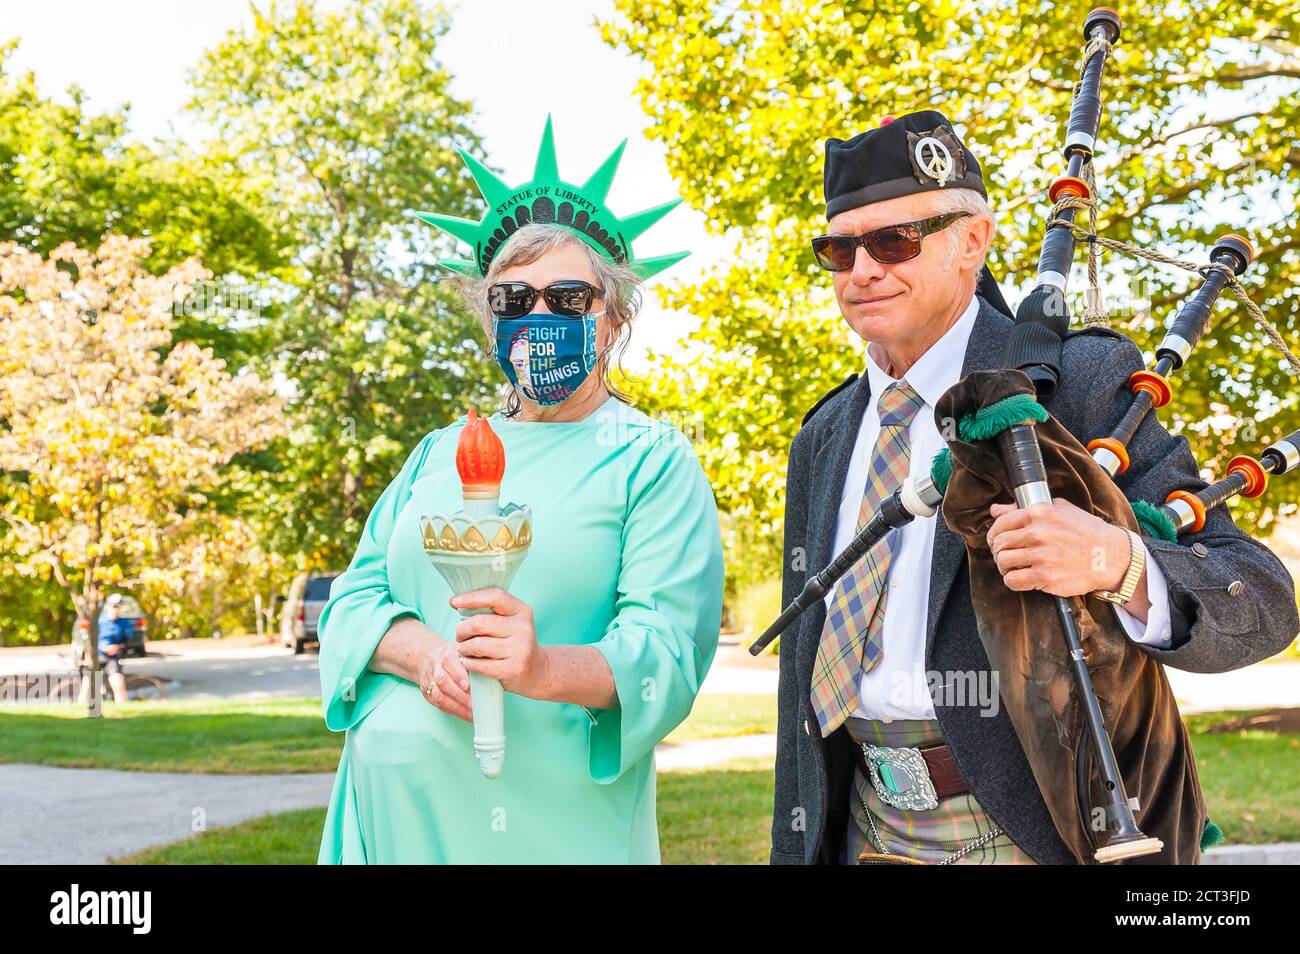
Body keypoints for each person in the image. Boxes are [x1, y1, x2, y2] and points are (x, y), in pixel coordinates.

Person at [770, 110, 1299, 864]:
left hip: (1037, 832)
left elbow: (1263, 598)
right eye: (838, 248)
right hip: (862, 824)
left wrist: (1118, 562)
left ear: (972, 241)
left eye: (894, 241)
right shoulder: (823, 435)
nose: (861, 271)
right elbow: (800, 687)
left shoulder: (1075, 385)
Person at [316, 118, 723, 864]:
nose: (539, 317)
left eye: (568, 298)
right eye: (514, 299)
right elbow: (353, 600)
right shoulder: (439, 451)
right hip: (393, 829)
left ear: (613, 318)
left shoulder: (651, 460)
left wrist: (539, 669)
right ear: (491, 319)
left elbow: (664, 652)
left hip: (552, 833)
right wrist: (424, 655)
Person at [97, 594, 132, 703]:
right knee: (88, 684)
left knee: (118, 684)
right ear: (108, 606)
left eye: (118, 606)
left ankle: (123, 709)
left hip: (112, 658)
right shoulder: (99, 621)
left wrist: (117, 648)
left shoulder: (125, 623)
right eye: (114, 606)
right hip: (97, 656)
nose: (116, 609)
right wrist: (103, 648)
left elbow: (127, 642)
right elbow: (90, 640)